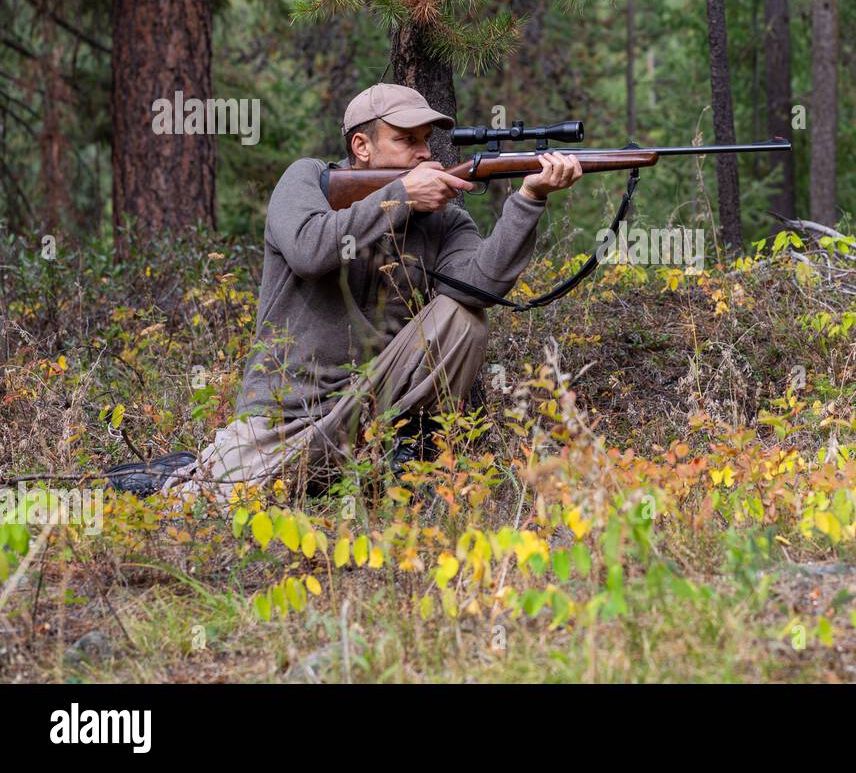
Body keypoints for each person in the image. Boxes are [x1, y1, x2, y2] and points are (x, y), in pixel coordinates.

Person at [106, 83, 582, 508]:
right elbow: (311, 251)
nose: (423, 153)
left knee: (464, 316)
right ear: (361, 146)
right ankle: (171, 473)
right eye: (406, 139)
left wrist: (529, 200)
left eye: (425, 141)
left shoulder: (445, 219)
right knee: (200, 502)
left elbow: (483, 287)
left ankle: (408, 458)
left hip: (372, 413)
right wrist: (398, 199)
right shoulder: (308, 180)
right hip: (287, 417)